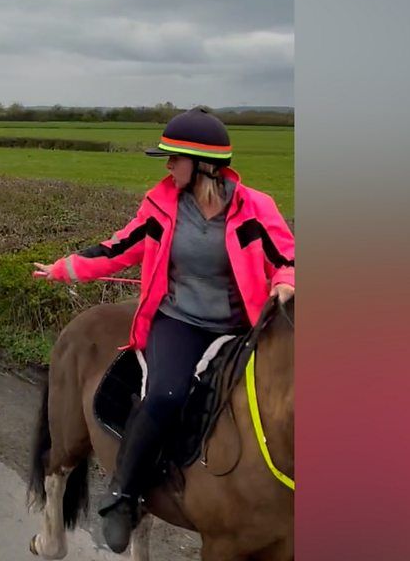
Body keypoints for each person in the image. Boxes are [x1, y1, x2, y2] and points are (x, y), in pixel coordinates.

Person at [33, 106, 295, 553]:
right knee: (166, 395)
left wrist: (285, 280)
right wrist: (66, 268)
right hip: (181, 323)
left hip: (240, 326)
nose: (168, 166)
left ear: (202, 166)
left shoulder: (255, 209)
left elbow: (285, 256)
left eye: (174, 158)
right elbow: (121, 246)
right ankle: (124, 497)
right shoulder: (161, 205)